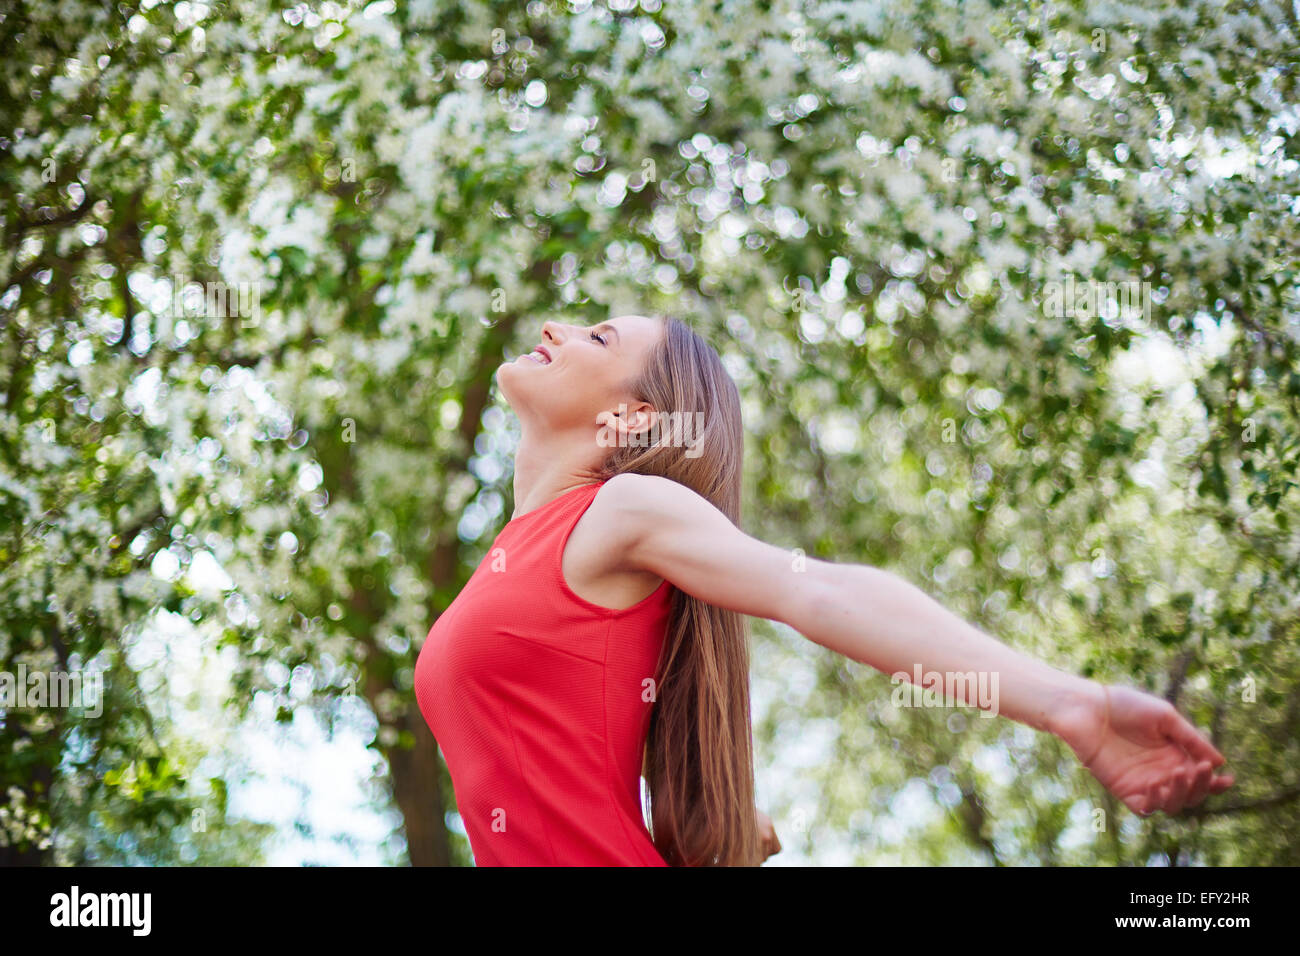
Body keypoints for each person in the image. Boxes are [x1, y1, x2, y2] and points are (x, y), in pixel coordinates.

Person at [413, 313, 1234, 866]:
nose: (555, 327)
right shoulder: (524, 552)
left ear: (633, 417)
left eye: (596, 335)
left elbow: (820, 593)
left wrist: (1070, 704)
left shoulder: (620, 510)